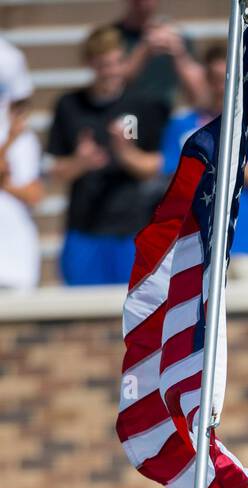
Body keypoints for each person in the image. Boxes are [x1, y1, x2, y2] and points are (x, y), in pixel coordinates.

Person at [47, 25, 165, 286]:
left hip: (131, 230)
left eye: (117, 62)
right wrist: (81, 161)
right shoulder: (69, 105)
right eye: (103, 64)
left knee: (130, 314)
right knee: (81, 314)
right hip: (84, 230)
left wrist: (125, 153)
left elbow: (158, 166)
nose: (111, 71)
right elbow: (55, 171)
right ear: (90, 63)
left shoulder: (143, 104)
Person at [158, 42, 248, 275]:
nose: (221, 86)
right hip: (195, 247)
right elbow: (173, 185)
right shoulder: (182, 126)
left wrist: (225, 156)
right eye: (216, 78)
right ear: (205, 78)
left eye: (229, 77)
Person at [114, 0, 207, 126]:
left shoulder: (177, 37)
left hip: (166, 116)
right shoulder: (113, 37)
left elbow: (199, 94)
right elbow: (113, 81)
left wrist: (179, 53)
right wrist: (144, 49)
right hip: (126, 118)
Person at [0, 67, 42, 292]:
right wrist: (9, 140)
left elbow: (34, 194)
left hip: (17, 254)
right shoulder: (15, 137)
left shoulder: (27, 141)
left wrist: (6, 185)